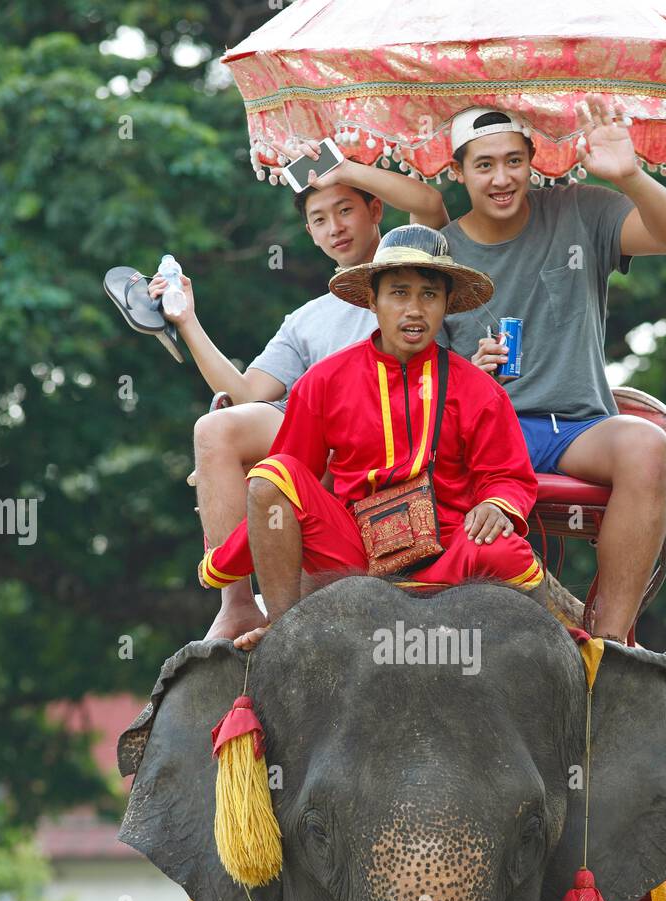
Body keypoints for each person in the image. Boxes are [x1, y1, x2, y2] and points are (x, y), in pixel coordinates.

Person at [195, 225, 545, 650]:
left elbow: (507, 474)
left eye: (429, 295)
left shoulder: (480, 389)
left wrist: (495, 505)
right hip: (351, 547)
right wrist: (228, 556)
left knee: (507, 552)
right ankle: (283, 630)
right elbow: (290, 475)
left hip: (449, 546)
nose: (414, 309)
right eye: (399, 293)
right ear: (372, 301)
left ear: (447, 305)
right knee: (273, 474)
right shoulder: (322, 381)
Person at [149, 151, 449, 639]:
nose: (335, 227)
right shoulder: (308, 318)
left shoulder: (419, 276)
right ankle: (238, 602)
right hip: (318, 435)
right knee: (216, 427)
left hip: (395, 429)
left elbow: (431, 205)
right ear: (309, 233)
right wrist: (187, 320)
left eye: (346, 209)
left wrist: (343, 168)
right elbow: (247, 393)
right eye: (319, 219)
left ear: (376, 210)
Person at [439, 101, 666, 640]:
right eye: (483, 165)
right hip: (476, 431)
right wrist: (465, 372)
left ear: (534, 159)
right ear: (457, 171)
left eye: (514, 160)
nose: (502, 178)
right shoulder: (439, 252)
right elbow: (414, 370)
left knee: (648, 446)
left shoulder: (582, 210)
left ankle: (610, 640)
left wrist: (630, 175)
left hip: (571, 427)